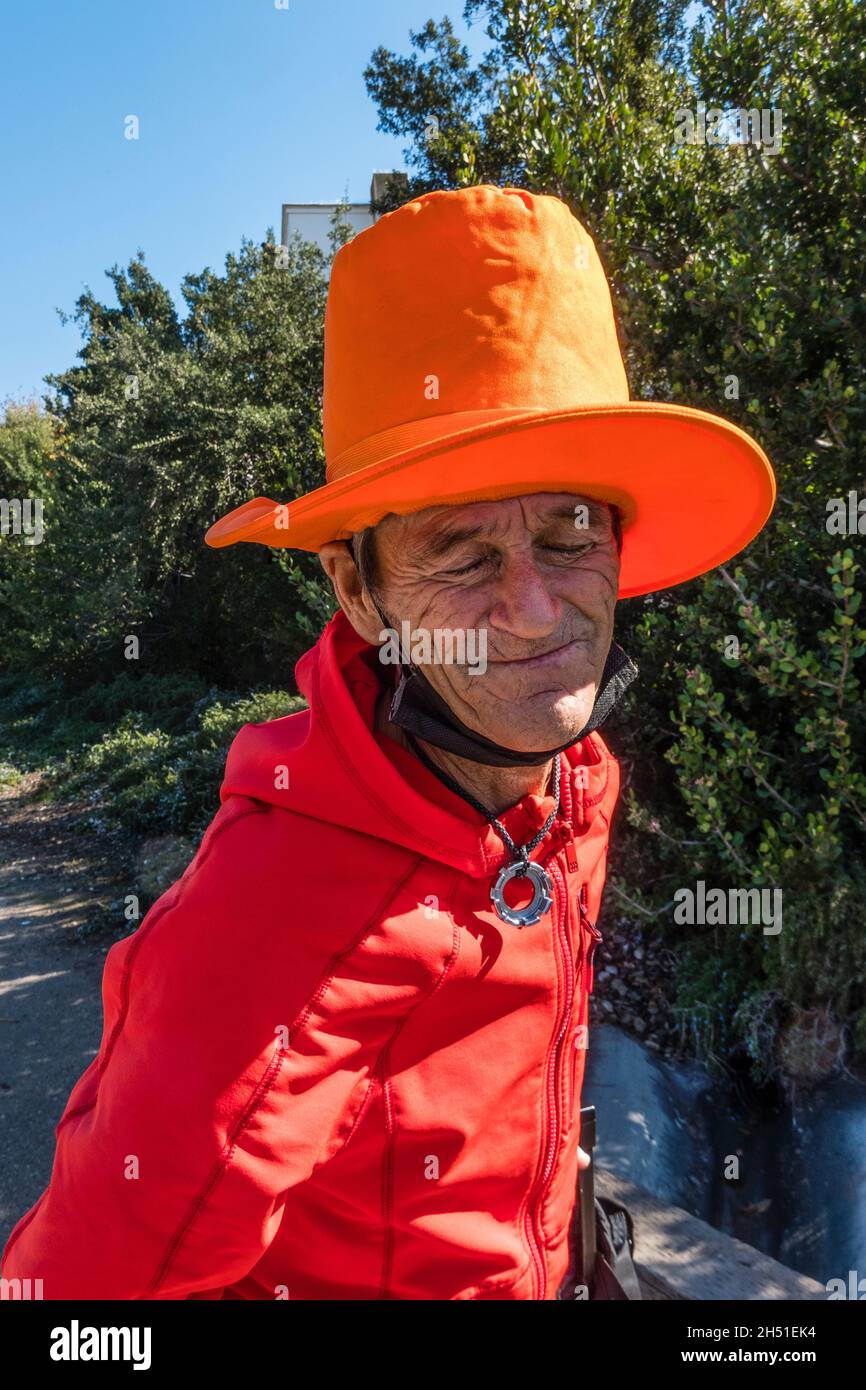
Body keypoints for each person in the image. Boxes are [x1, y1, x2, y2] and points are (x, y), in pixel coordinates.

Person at [1, 184, 775, 1300]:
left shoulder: (559, 783)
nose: (537, 609)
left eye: (568, 527)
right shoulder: (266, 924)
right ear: (357, 592)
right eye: (459, 552)